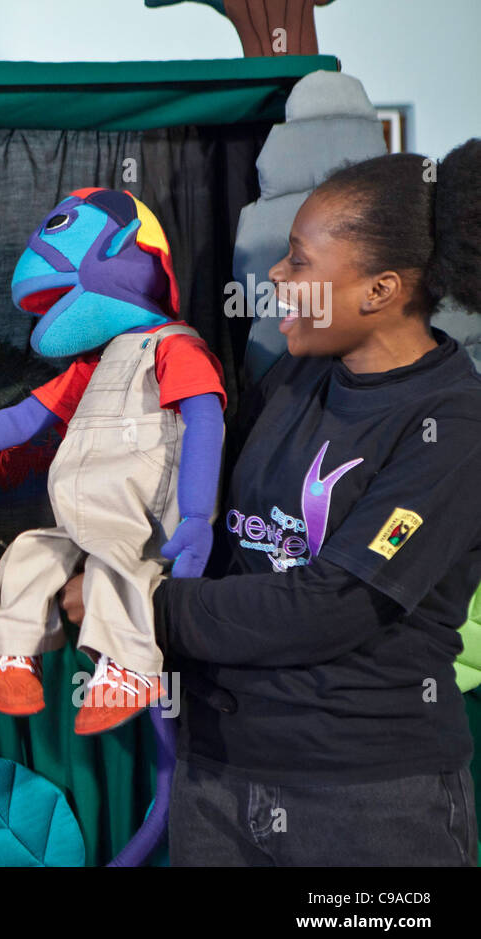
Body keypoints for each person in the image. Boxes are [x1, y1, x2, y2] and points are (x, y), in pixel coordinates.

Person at [64, 140, 481, 865]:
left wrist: (132, 606)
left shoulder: (453, 425)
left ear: (378, 290)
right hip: (220, 776)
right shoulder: (296, 375)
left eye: (299, 262)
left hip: (365, 801)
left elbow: (331, 606)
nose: (277, 280)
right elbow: (212, 523)